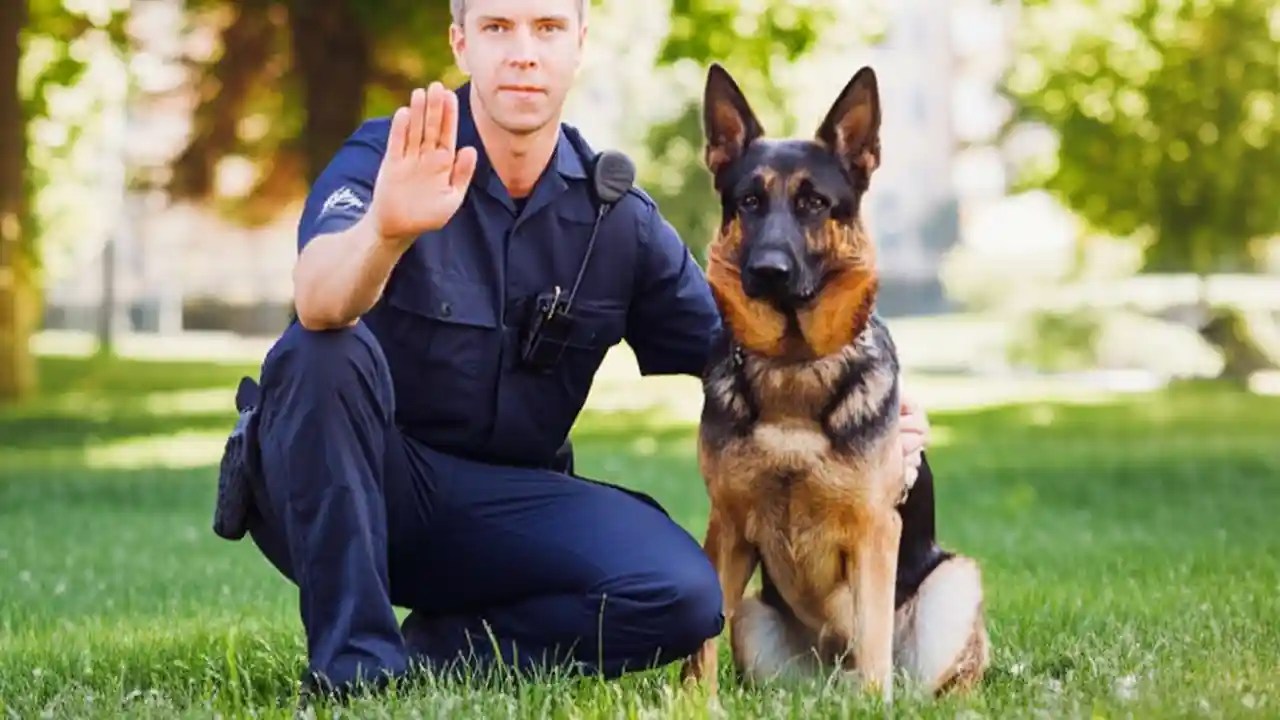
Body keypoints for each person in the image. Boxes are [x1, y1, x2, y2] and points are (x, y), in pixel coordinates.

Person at [220, 0, 934, 698]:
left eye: (548, 27)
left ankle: (438, 651)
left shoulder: (614, 215)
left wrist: (881, 411)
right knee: (322, 352)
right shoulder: (389, 157)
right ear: (461, 43)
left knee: (682, 595)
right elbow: (317, 298)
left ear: (578, 44)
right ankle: (357, 673)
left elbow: (748, 341)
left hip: (500, 514)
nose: (524, 51)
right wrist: (385, 230)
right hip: (346, 491)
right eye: (497, 26)